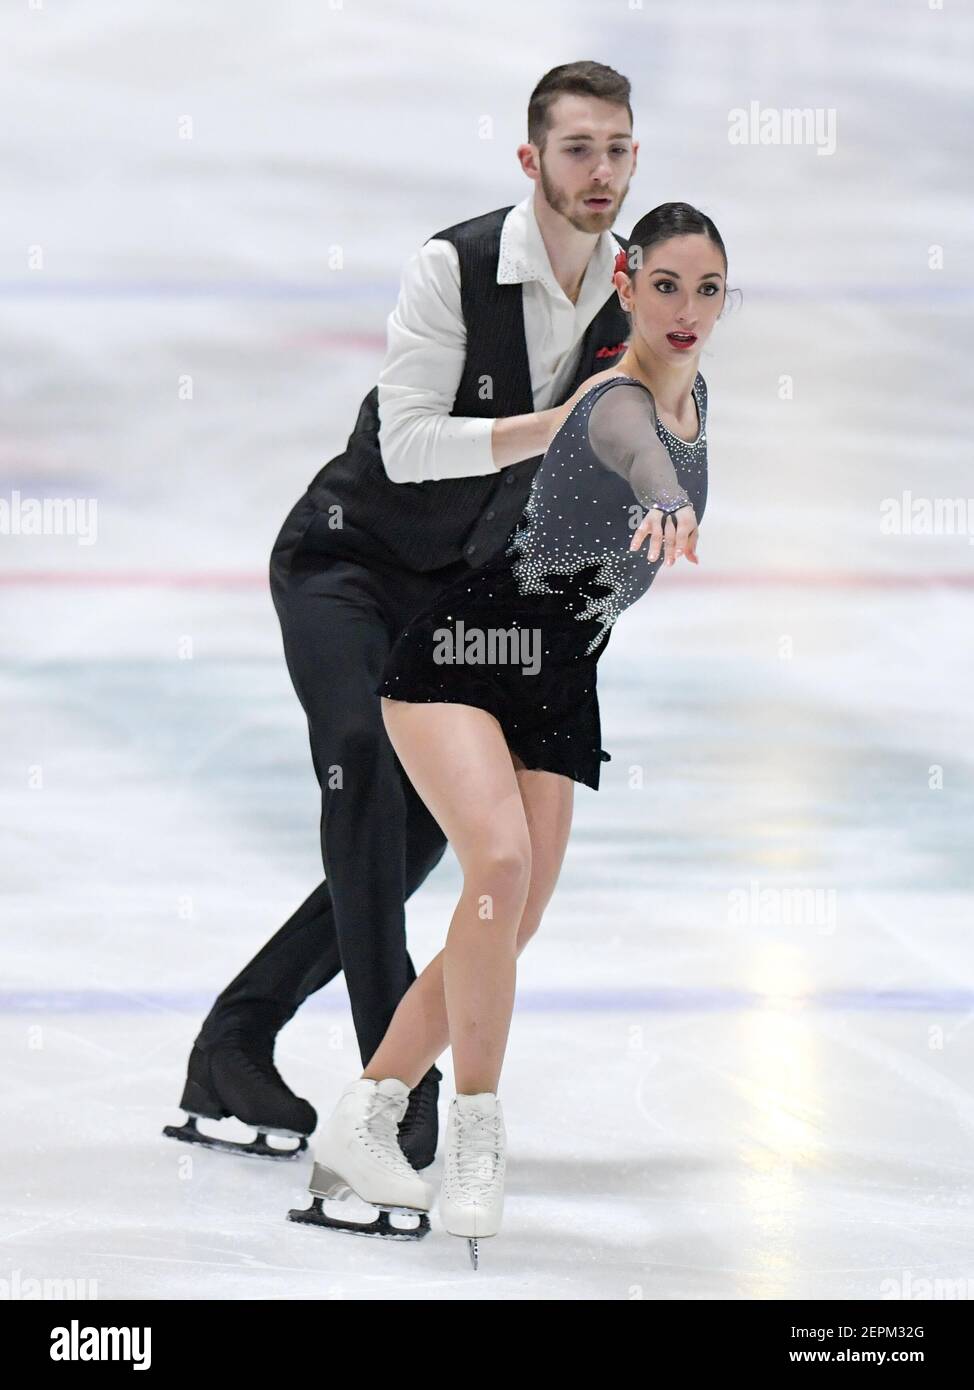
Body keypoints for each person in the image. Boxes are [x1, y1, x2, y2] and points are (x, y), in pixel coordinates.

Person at [164, 62, 643, 1168]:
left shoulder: (630, 290)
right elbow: (409, 443)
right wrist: (557, 422)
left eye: (617, 148)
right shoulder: (455, 266)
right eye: (577, 149)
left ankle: (235, 1037)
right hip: (347, 564)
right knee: (361, 770)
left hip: (460, 597)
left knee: (433, 835)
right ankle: (394, 1083)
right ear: (532, 161)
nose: (599, 171)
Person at [294, 202, 726, 1268]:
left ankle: (361, 1121)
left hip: (558, 682)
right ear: (623, 287)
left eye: (707, 289)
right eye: (664, 285)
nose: (685, 311)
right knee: (494, 861)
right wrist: (665, 493)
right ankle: (476, 1131)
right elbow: (629, 445)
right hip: (463, 655)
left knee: (505, 918)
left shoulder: (697, 393)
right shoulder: (615, 397)